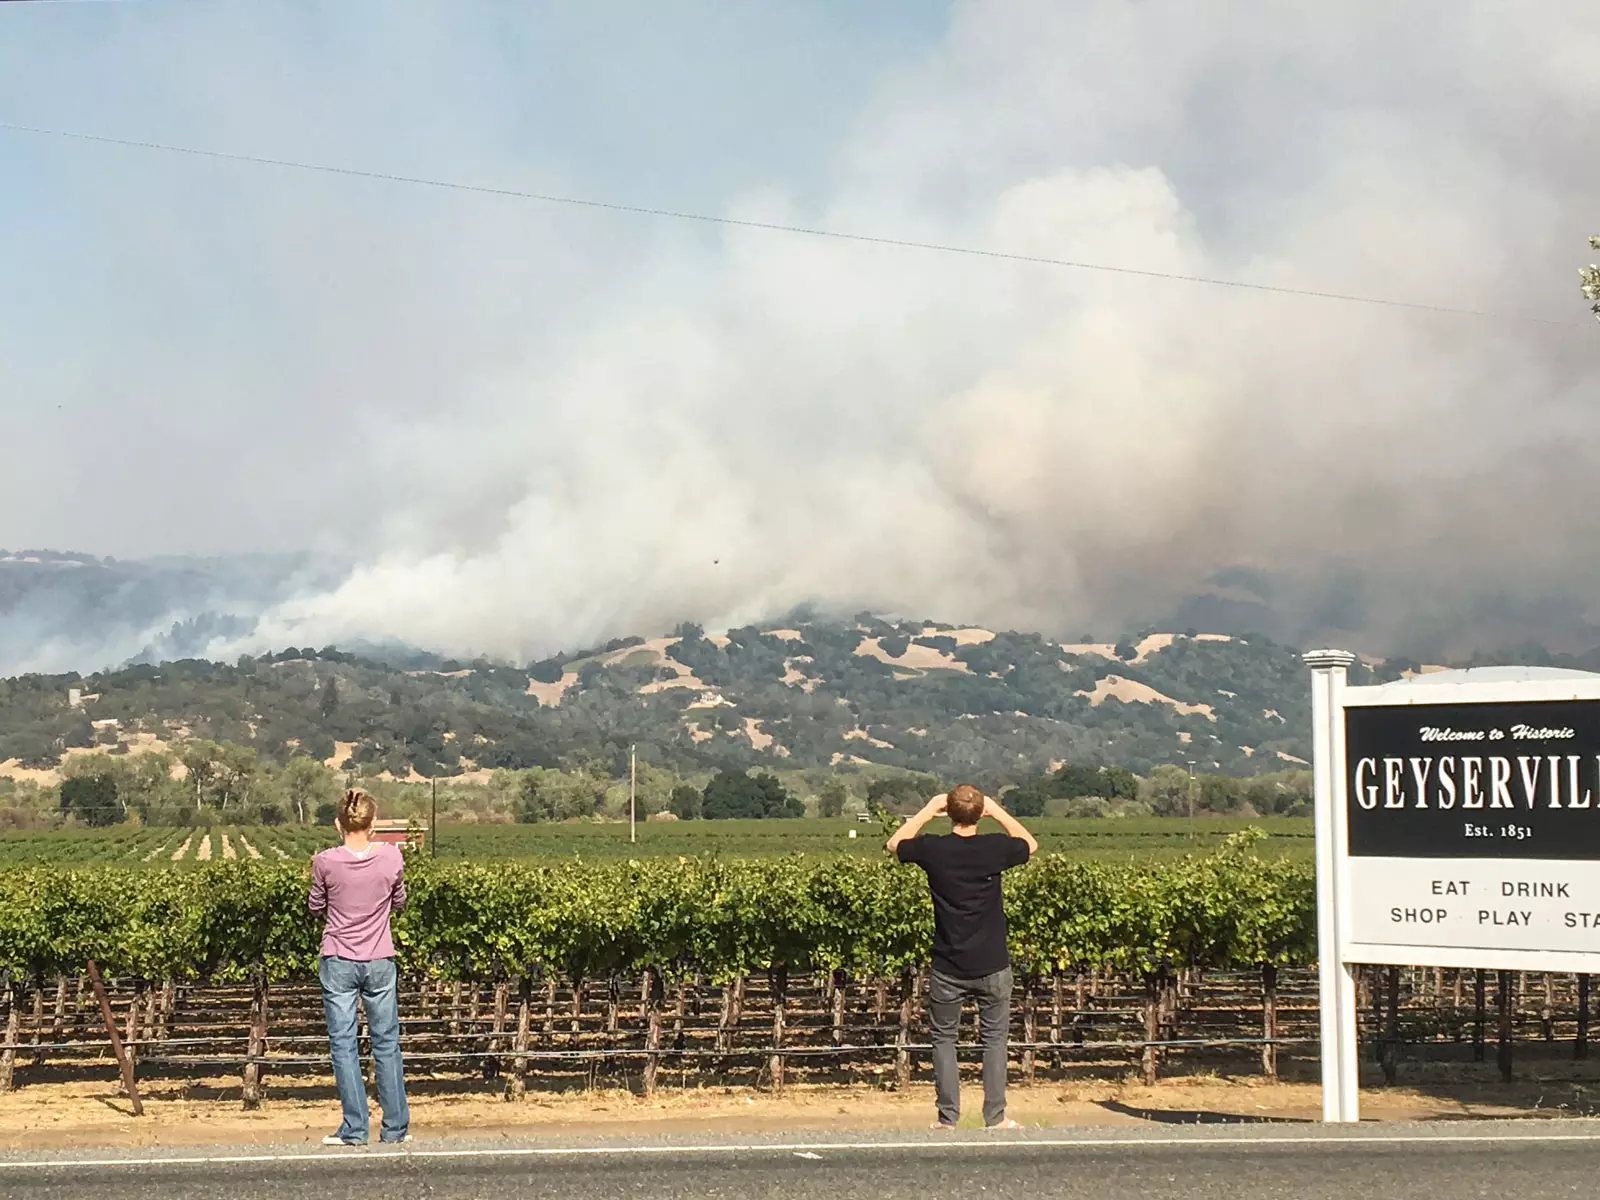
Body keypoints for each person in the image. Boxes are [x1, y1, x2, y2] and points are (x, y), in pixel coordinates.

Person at [888, 783, 1037, 1130]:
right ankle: (995, 1117)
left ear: (949, 813)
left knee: (943, 1039)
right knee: (995, 1040)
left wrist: (927, 809)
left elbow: (895, 844)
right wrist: (996, 810)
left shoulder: (933, 850)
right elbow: (1030, 843)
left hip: (948, 966)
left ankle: (947, 1118)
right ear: (980, 812)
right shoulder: (994, 848)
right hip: (994, 963)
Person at [308, 789, 411, 1146]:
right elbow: (399, 901)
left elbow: (315, 906)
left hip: (338, 958)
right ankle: (395, 1128)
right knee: (386, 1043)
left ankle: (354, 1128)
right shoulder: (392, 858)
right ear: (374, 824)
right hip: (380, 957)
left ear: (338, 824)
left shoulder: (324, 861)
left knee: (344, 1044)